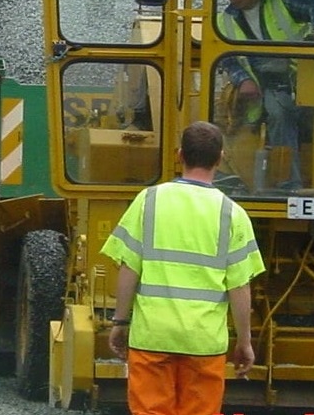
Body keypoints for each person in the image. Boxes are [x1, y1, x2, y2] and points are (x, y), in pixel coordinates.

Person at [102, 121, 265, 415]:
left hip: (152, 337)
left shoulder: (148, 201)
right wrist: (244, 341)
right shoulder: (232, 214)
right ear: (220, 158)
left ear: (179, 155)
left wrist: (120, 322)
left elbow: (128, 269)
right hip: (204, 343)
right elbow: (240, 286)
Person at [216, 0, 314, 189]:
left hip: (304, 78)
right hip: (263, 87)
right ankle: (289, 185)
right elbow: (227, 58)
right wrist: (244, 80)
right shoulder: (224, 21)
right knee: (279, 113)